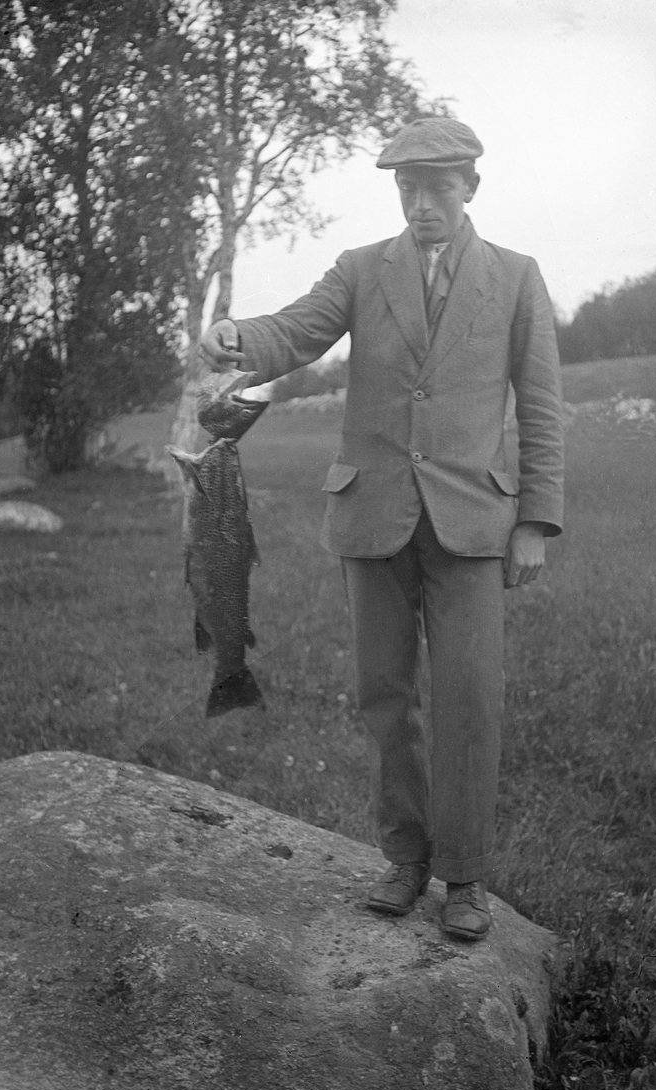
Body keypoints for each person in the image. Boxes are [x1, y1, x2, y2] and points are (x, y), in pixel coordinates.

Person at [198, 117, 563, 941]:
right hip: (373, 515)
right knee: (383, 697)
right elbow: (294, 329)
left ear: (471, 187)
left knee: (471, 700)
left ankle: (464, 876)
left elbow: (540, 406)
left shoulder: (516, 277)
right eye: (408, 188)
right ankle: (405, 859)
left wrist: (535, 521)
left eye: (438, 186)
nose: (422, 204)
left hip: (474, 521)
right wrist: (239, 336)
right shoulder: (363, 270)